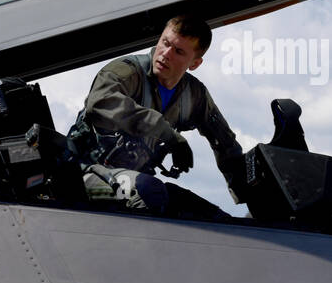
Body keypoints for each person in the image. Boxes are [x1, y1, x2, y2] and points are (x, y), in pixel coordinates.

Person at [66, 15, 248, 216]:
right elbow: (100, 103)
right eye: (165, 43)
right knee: (148, 193)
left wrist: (249, 194)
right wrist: (168, 134)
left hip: (135, 181)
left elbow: (226, 144)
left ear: (195, 63)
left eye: (178, 51)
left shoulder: (194, 96)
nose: (165, 54)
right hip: (84, 180)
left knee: (213, 218)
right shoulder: (127, 72)